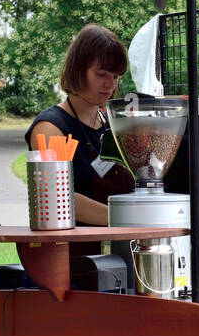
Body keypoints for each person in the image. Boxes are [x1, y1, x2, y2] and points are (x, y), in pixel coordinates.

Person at [25, 24, 134, 225]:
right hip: (73, 251)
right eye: (101, 74)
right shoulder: (50, 128)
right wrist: (128, 220)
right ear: (77, 70)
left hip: (119, 246)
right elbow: (58, 198)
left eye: (116, 77)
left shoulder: (112, 124)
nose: (110, 85)